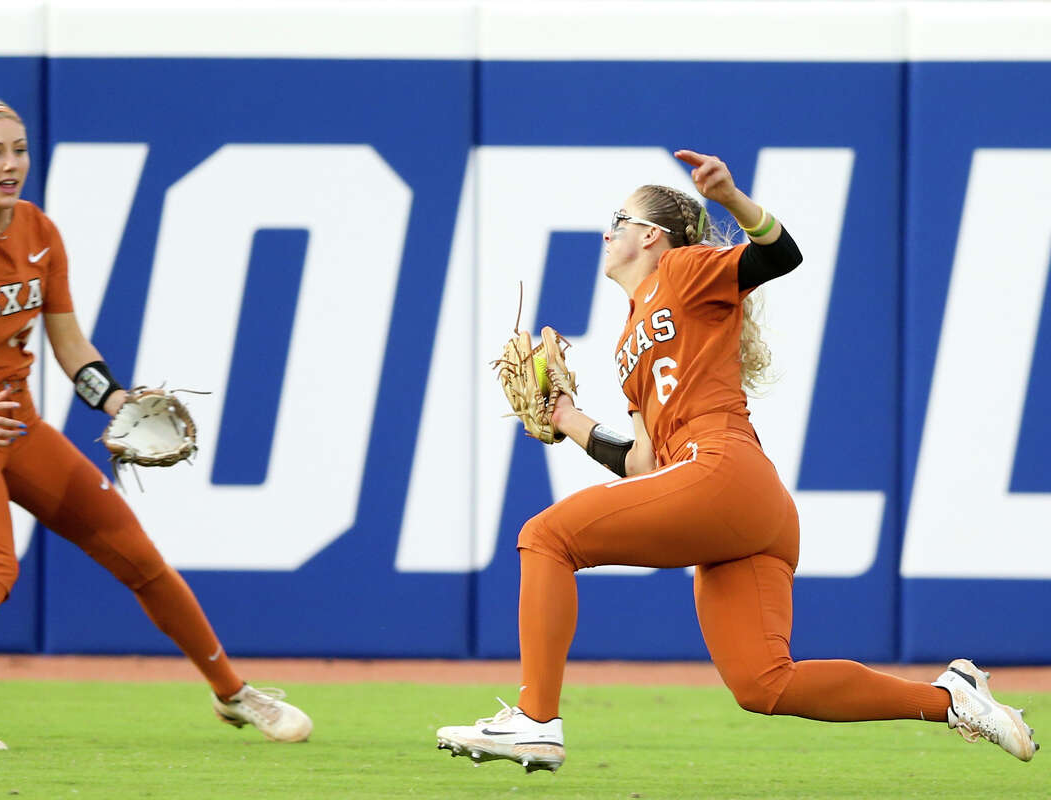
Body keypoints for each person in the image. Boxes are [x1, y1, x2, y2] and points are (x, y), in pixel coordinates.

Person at [435, 150, 1038, 772]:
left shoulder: (685, 269)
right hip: (742, 505)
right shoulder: (627, 341)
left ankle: (536, 720)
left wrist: (730, 198)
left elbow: (780, 256)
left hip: (722, 469)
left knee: (546, 537)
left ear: (651, 235)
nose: (606, 230)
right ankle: (952, 701)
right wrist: (567, 419)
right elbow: (645, 467)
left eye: (619, 217)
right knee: (764, 685)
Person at [0, 95, 311, 750]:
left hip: (18, 424)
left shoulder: (38, 231)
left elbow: (71, 346)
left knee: (139, 558)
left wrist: (114, 399)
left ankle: (234, 694)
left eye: (18, 149)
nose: (11, 164)